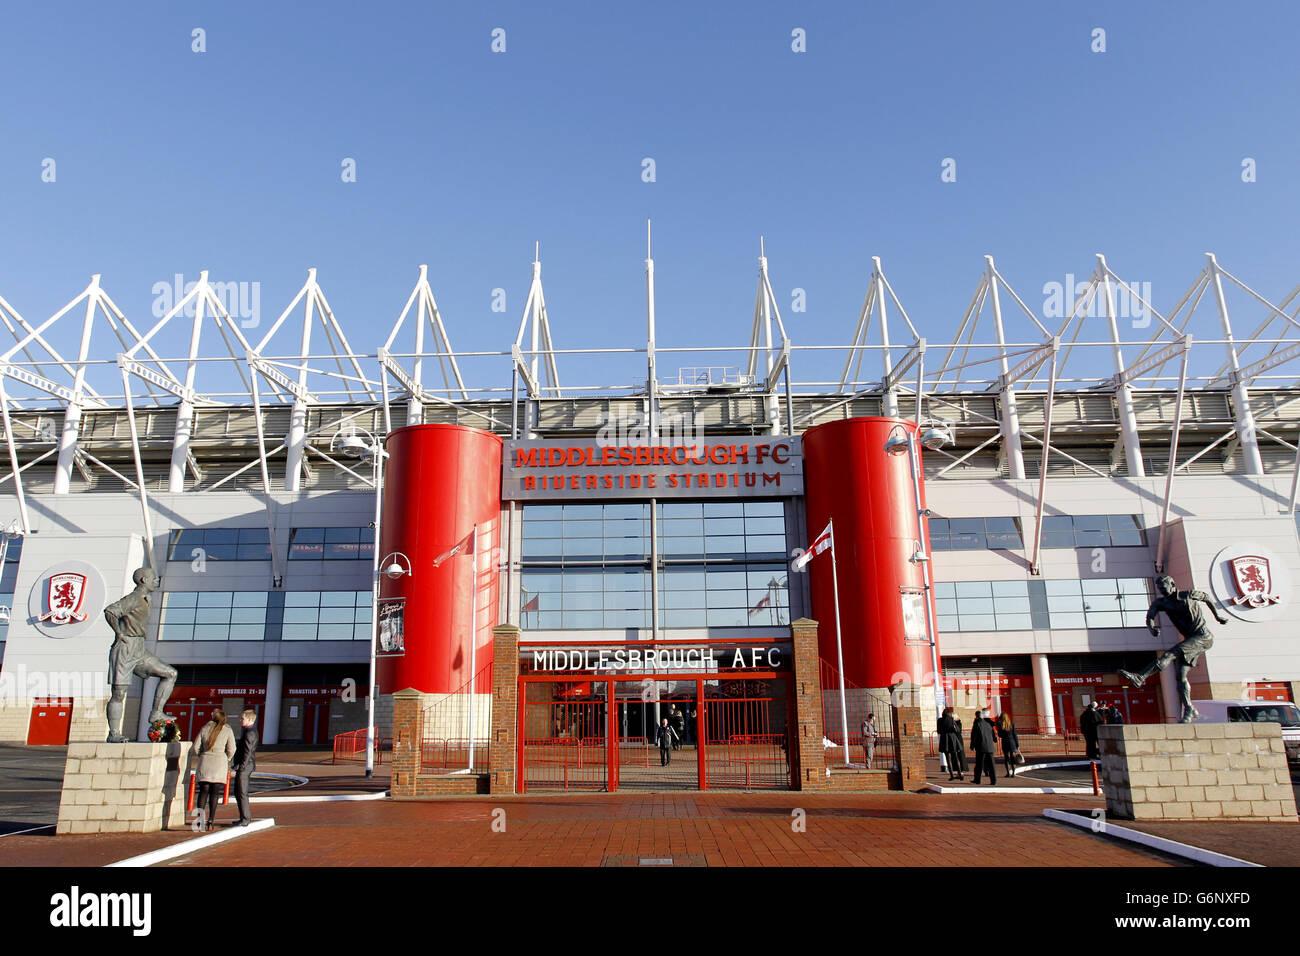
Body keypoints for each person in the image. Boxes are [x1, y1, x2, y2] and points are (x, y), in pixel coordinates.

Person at [1119, 574, 1230, 722]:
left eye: (1164, 588)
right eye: (1160, 589)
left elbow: (1207, 597)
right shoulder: (1162, 603)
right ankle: (1189, 708)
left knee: (1169, 654)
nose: (1162, 591)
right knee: (1180, 676)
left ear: (1172, 584)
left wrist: (1217, 616)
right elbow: (1150, 615)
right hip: (1190, 639)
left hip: (1202, 636)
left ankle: (1141, 677)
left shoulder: (1188, 595)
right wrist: (1152, 628)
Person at [104, 567, 178, 742]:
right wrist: (119, 633)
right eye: (153, 578)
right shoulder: (134, 598)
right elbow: (110, 611)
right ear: (143, 580)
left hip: (139, 648)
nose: (156, 581)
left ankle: (156, 712)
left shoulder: (146, 599)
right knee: (118, 693)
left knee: (170, 673)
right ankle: (113, 734)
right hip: (125, 647)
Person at [192, 708, 235, 831]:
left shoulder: (205, 728)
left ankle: (199, 821)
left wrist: (202, 755)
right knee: (215, 793)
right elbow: (232, 749)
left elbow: (196, 747)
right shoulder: (227, 730)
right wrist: (227, 758)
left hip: (205, 761)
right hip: (219, 762)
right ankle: (211, 820)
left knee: (203, 792)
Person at [230, 708, 259, 827]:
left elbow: (247, 752)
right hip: (244, 766)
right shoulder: (248, 731)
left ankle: (245, 818)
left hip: (245, 767)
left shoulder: (250, 733)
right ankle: (243, 817)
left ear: (249, 719)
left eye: (242, 718)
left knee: (242, 792)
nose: (240, 720)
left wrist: (241, 766)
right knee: (238, 792)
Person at [937, 707, 966, 781]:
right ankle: (960, 773)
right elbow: (957, 730)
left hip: (944, 739)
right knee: (955, 757)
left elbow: (939, 731)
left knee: (948, 758)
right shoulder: (951, 720)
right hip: (952, 739)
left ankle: (952, 775)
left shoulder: (940, 720)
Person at [970, 708, 998, 785]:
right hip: (990, 746)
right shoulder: (989, 724)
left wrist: (972, 745)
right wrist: (995, 740)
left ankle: (977, 779)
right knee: (991, 765)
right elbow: (993, 735)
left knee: (979, 764)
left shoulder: (977, 724)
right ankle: (993, 780)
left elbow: (974, 736)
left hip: (981, 747)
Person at [996, 712, 1020, 777]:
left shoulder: (1000, 725)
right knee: (1012, 758)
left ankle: (1008, 772)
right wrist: (1017, 744)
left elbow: (999, 735)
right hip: (1012, 742)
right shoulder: (1011, 724)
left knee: (1006, 758)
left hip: (1005, 742)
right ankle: (1013, 773)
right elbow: (1015, 734)